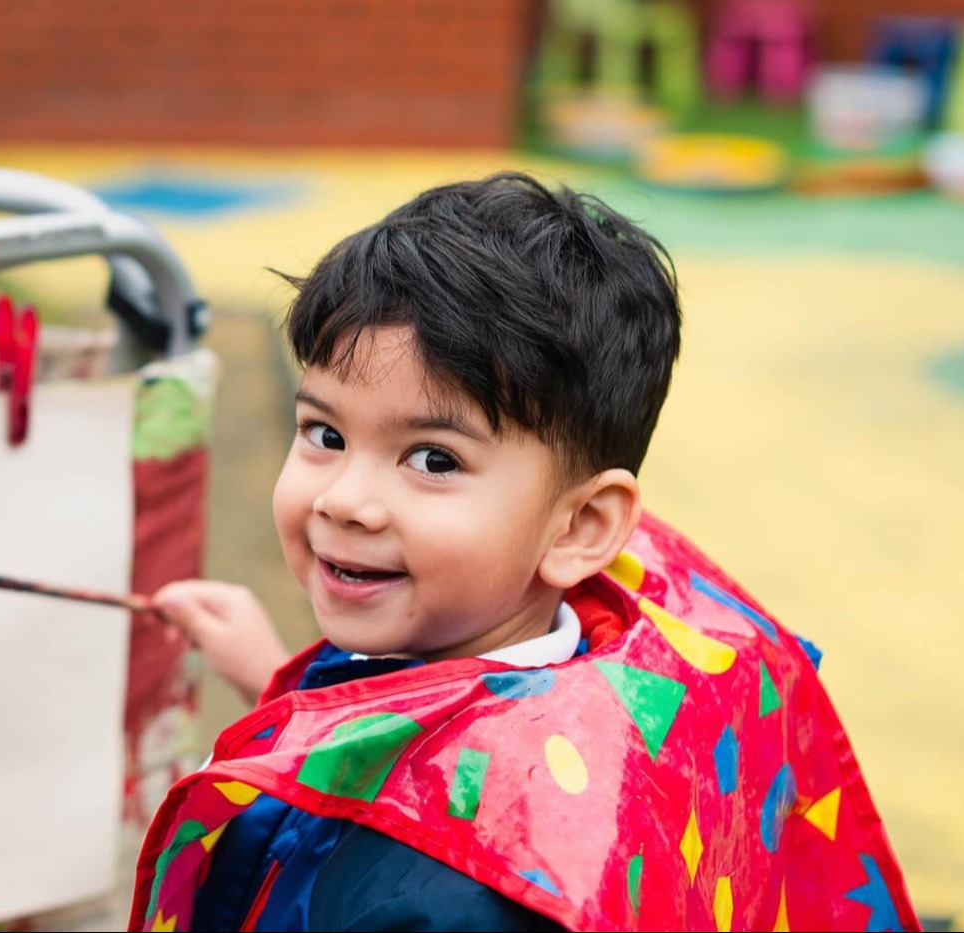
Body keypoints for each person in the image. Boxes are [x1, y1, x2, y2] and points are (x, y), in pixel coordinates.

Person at [129, 174, 918, 932]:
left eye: (433, 459)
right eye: (325, 434)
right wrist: (276, 680)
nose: (343, 498)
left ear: (580, 528)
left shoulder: (474, 890)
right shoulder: (561, 655)